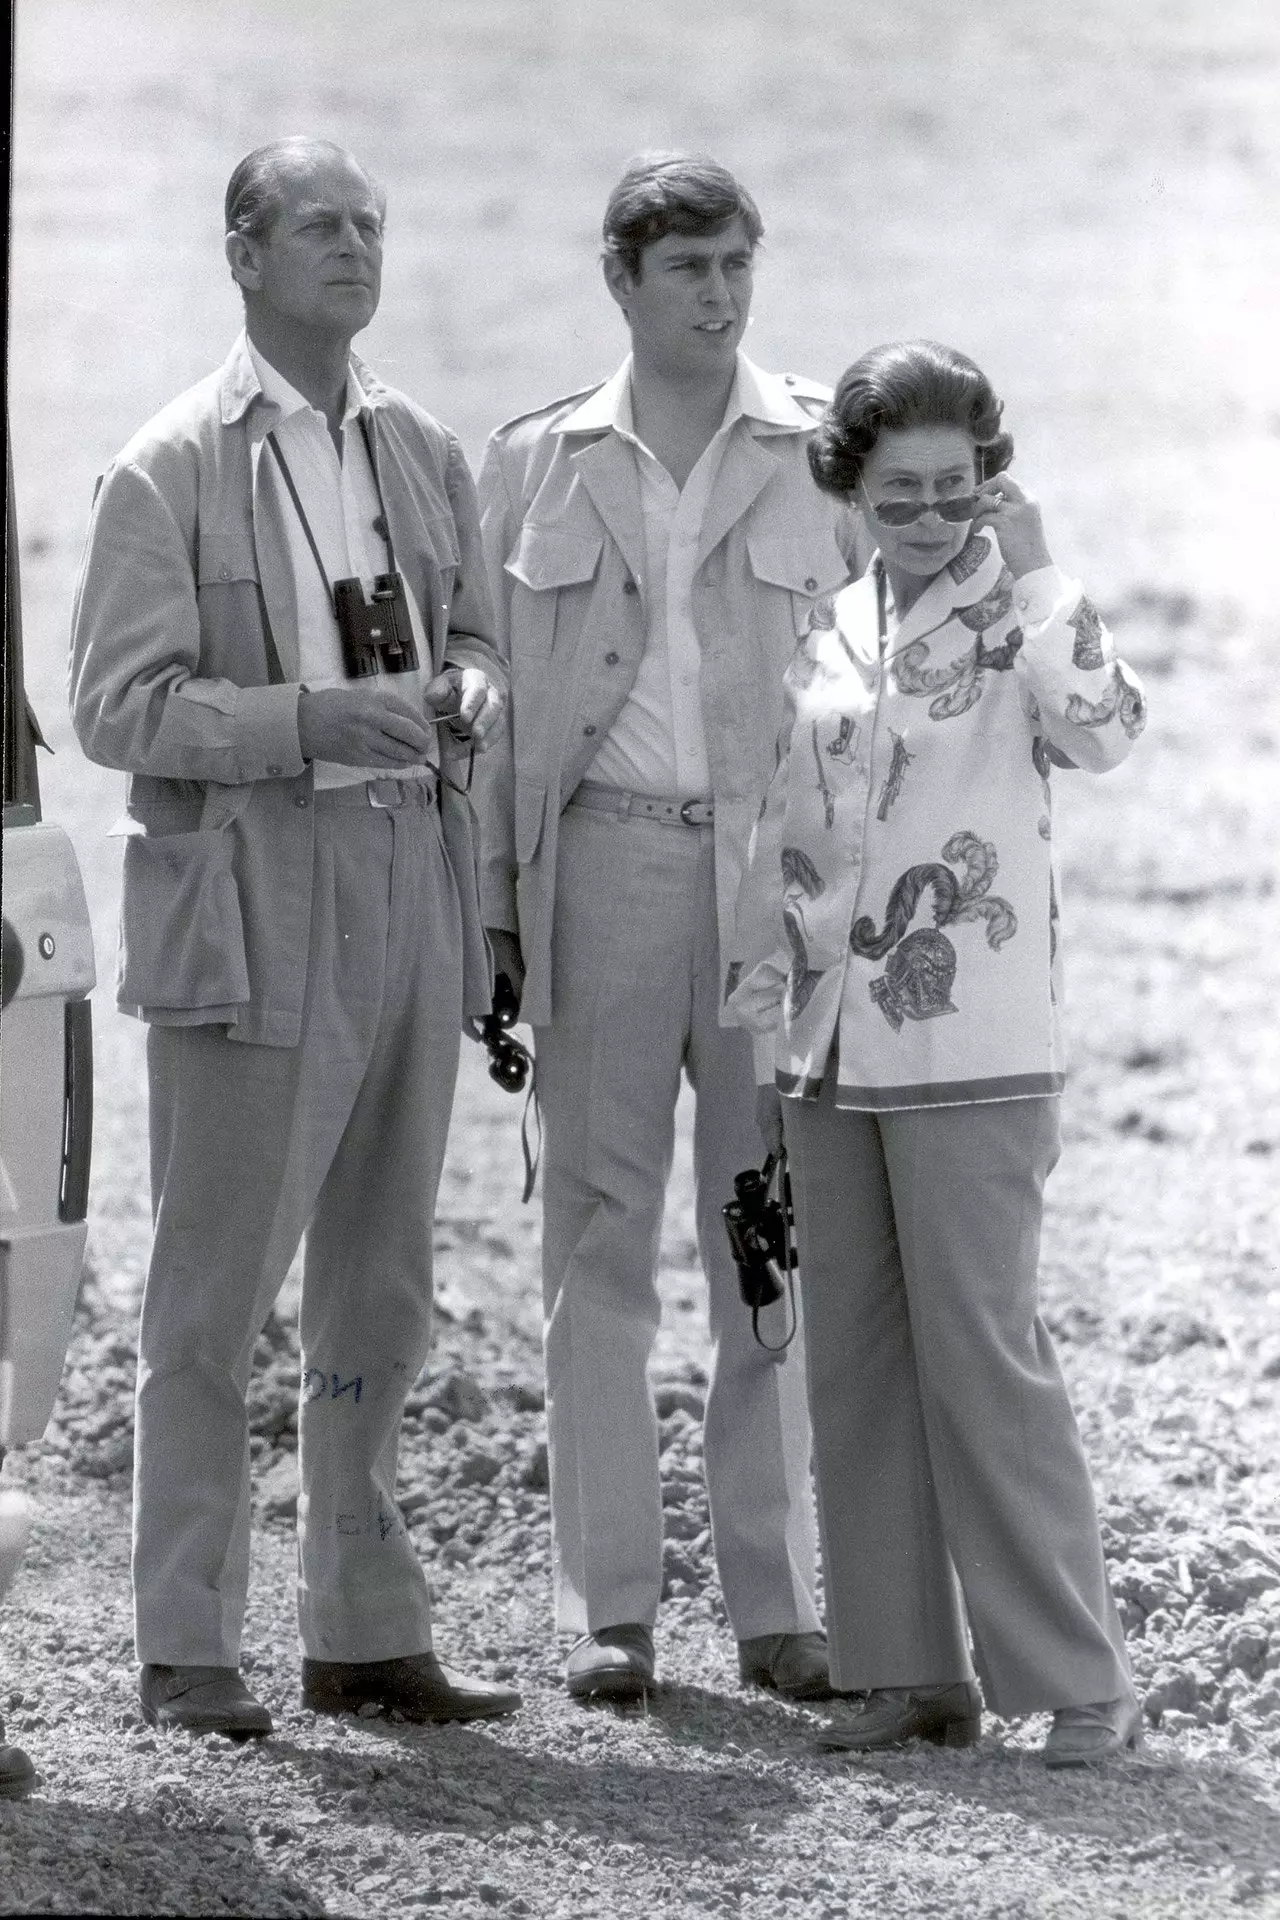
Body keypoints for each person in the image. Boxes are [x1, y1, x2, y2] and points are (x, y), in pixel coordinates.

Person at [68, 137, 519, 1738]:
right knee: (214, 1289)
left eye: (370, 224)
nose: (353, 246)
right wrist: (311, 718)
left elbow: (474, 633)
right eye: (319, 223)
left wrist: (467, 688)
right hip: (252, 897)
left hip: (408, 878)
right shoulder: (166, 465)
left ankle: (364, 1629)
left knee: (385, 1284)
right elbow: (116, 709)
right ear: (244, 254)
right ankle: (186, 1645)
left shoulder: (420, 445)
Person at [475, 152, 865, 1703]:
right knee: (597, 1248)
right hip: (608, 875)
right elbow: (496, 728)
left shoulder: (824, 448)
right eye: (689, 269)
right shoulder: (531, 466)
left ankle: (778, 1613)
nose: (719, 295)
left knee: (769, 1249)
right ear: (621, 280)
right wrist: (500, 926)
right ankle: (610, 1611)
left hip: (772, 897)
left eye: (736, 267)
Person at [727, 339, 1146, 1767]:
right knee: (853, 1360)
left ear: (990, 482)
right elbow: (788, 835)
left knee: (987, 1358)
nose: (927, 518)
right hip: (832, 1052)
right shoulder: (830, 627)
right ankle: (911, 1673)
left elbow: (1108, 735)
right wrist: (765, 1012)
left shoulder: (1024, 611)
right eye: (899, 493)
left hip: (977, 1043)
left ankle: (1082, 1683)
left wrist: (1034, 575)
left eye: (953, 491)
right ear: (851, 488)